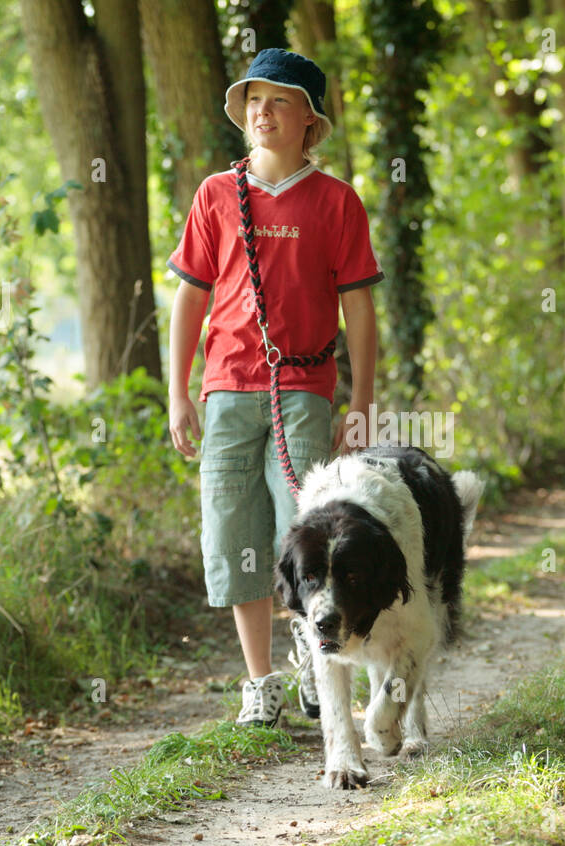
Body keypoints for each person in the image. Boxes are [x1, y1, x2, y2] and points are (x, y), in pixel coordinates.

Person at [167, 48, 381, 727]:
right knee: (233, 534)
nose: (262, 109)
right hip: (227, 389)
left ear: (309, 120)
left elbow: (361, 310)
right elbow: (189, 298)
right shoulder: (214, 195)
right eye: (254, 97)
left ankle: (316, 660)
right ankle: (258, 683)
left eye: (280, 99)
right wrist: (178, 391)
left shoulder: (337, 201)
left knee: (306, 534)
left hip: (306, 390)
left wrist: (362, 402)